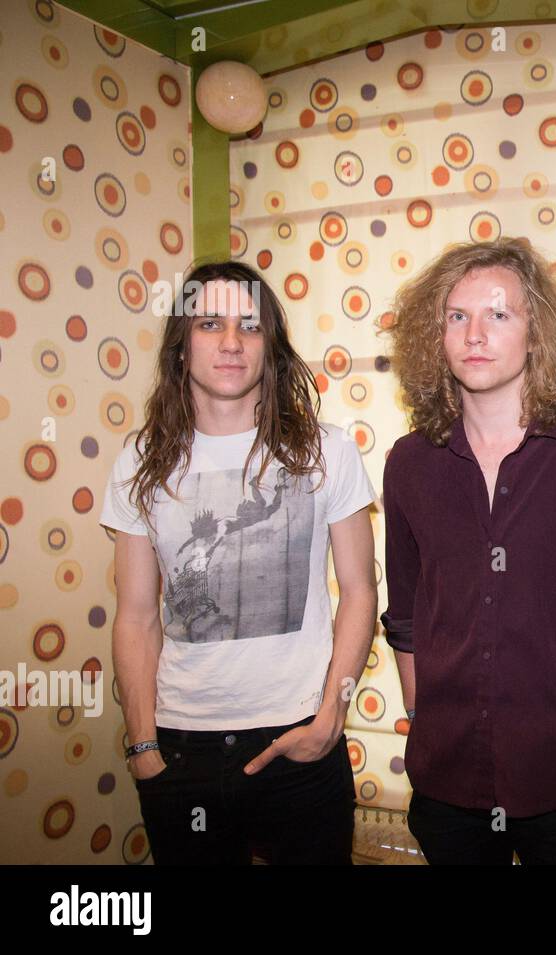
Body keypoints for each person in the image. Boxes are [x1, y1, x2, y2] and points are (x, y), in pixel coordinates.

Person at [380, 237, 556, 865]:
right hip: (446, 780)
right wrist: (421, 713)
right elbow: (405, 616)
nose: (474, 333)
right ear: (436, 333)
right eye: (458, 316)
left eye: (498, 315)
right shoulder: (409, 463)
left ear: (536, 333)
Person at [102, 260, 377, 864]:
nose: (231, 341)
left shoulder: (326, 450)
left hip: (300, 742)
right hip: (179, 754)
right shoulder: (138, 462)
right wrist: (143, 746)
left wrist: (332, 714)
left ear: (270, 346)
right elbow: (136, 616)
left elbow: (360, 593)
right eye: (210, 324)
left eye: (250, 326)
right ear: (181, 345)